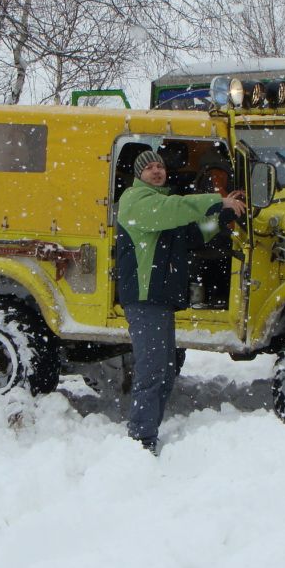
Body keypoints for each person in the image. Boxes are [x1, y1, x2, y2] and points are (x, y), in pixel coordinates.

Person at [116, 149, 246, 454]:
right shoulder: (135, 201)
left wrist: (225, 214)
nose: (156, 170)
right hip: (144, 298)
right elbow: (174, 209)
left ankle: (148, 431)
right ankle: (140, 439)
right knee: (151, 370)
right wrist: (217, 200)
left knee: (165, 369)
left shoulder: (165, 208)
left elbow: (193, 233)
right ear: (139, 176)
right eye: (148, 168)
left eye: (159, 165)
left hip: (160, 300)